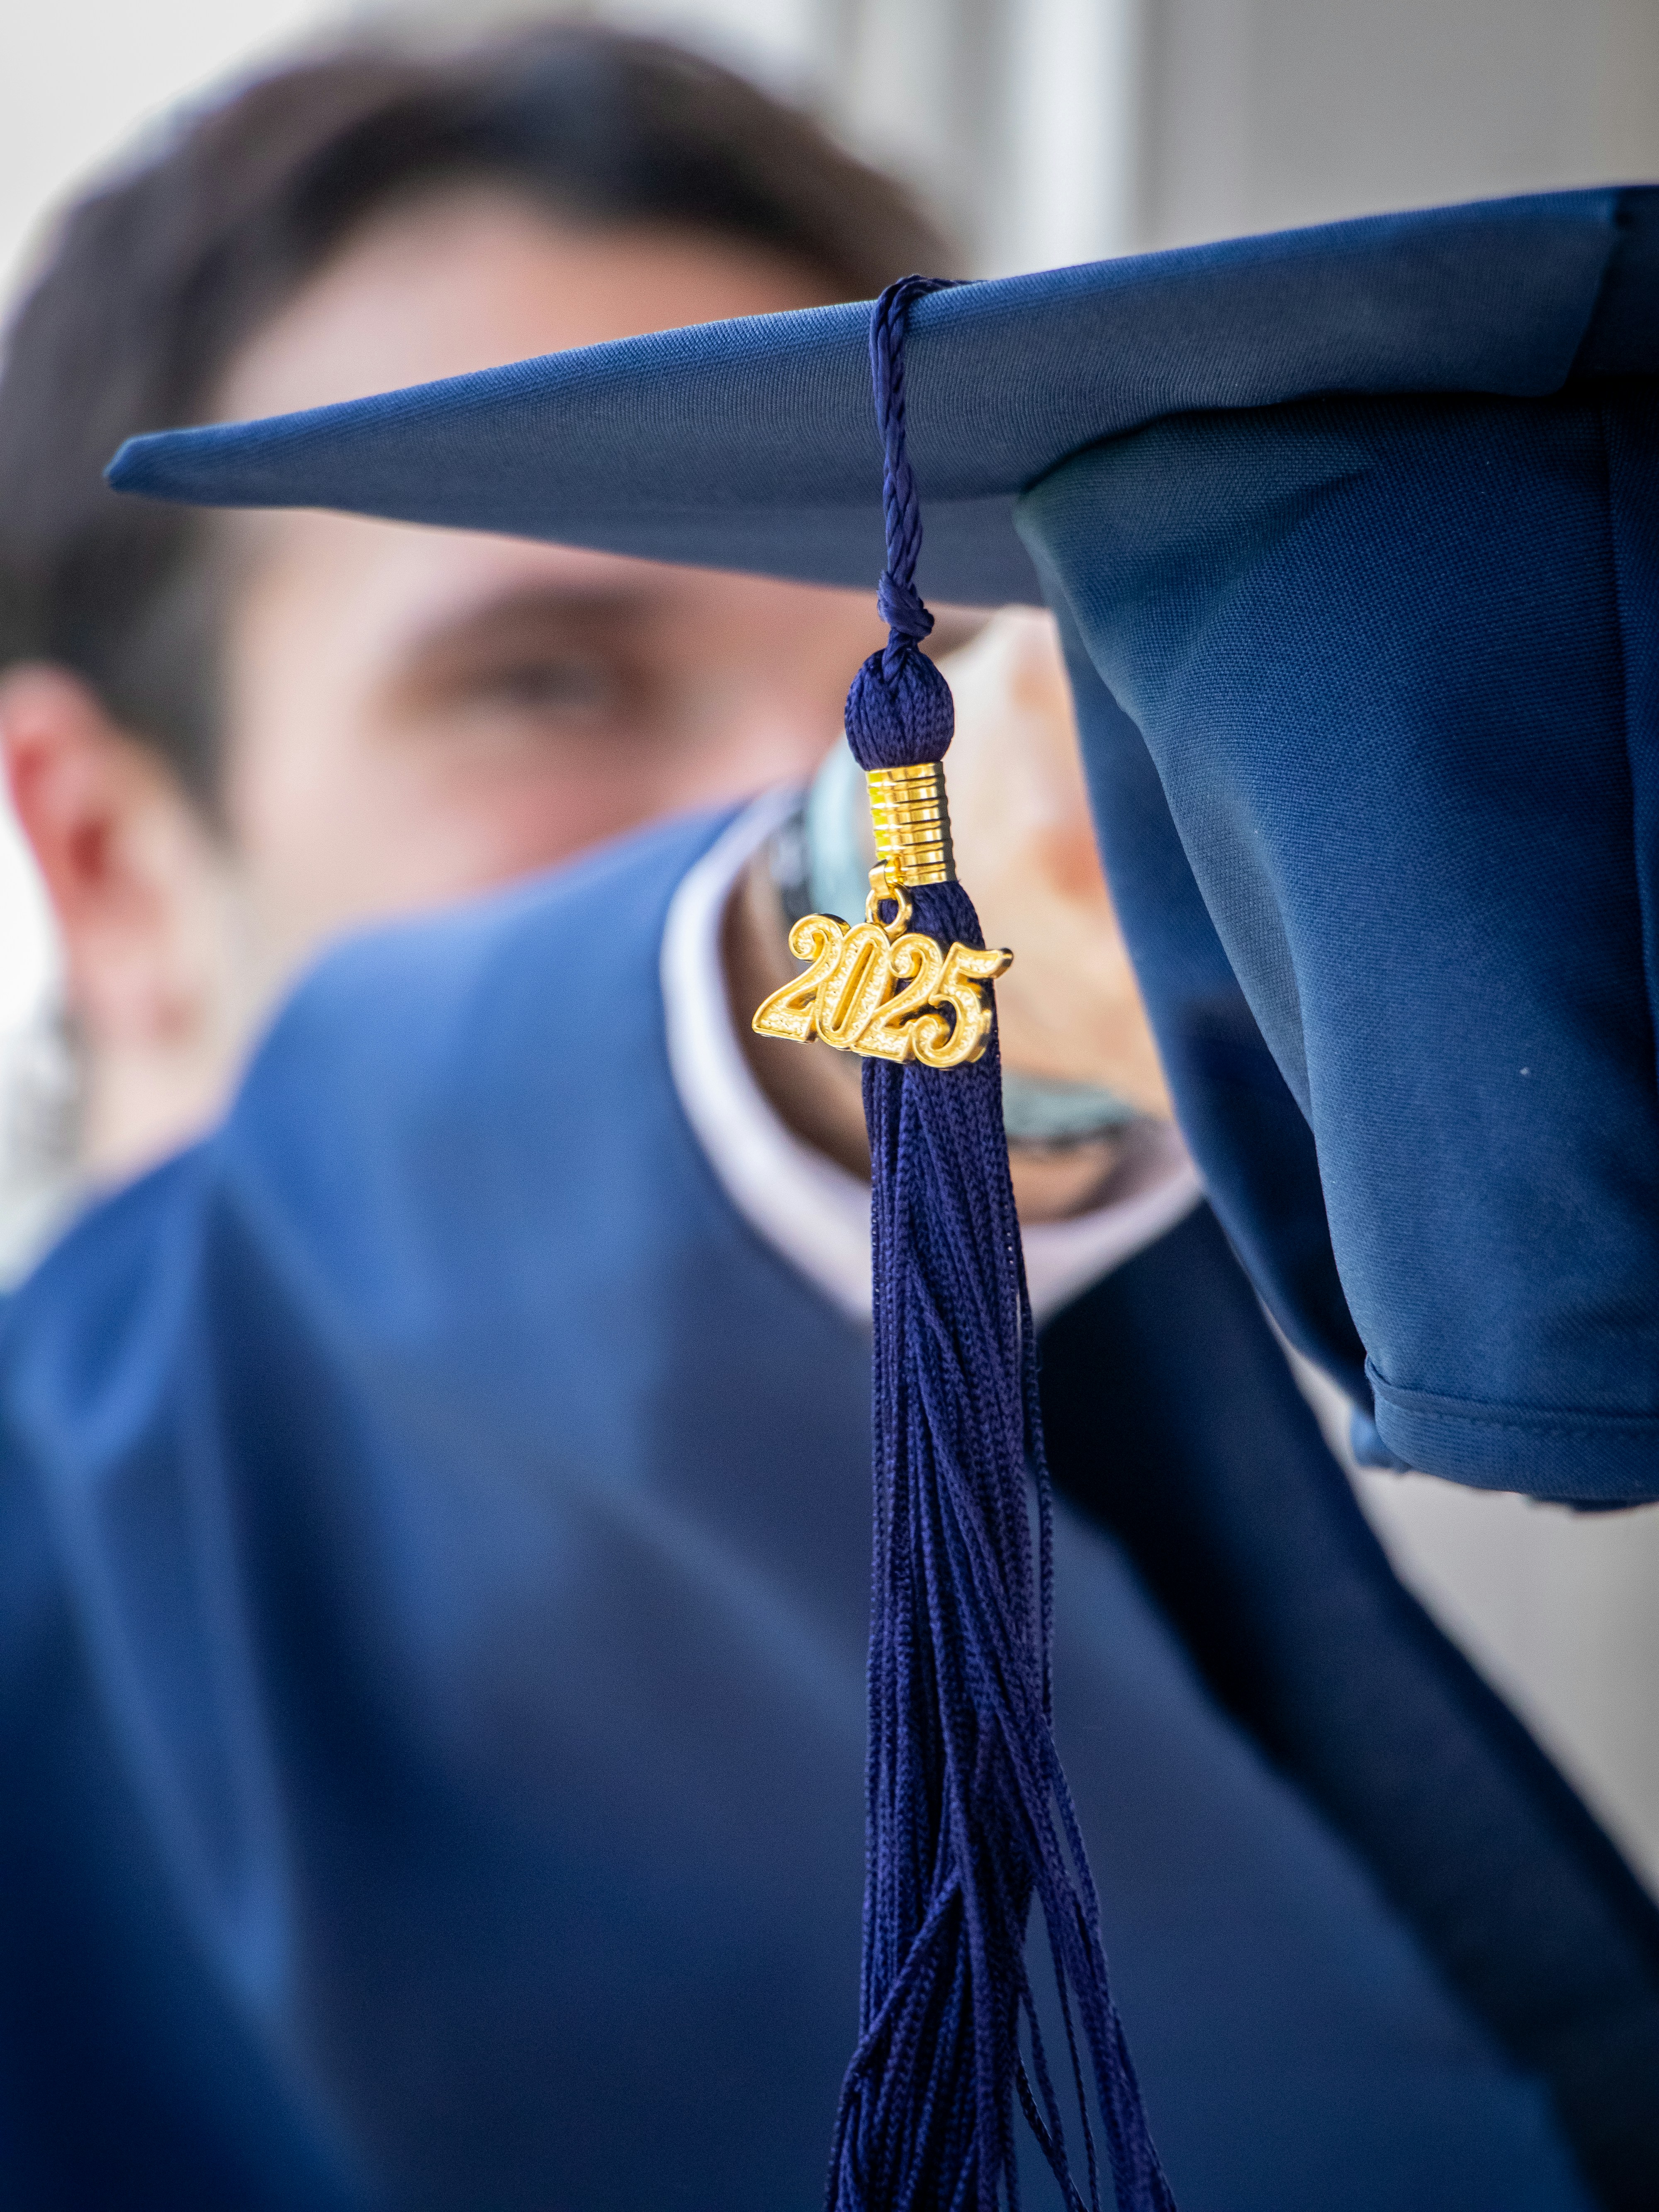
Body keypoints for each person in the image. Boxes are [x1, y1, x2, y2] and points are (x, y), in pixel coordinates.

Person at [1, 27, 1654, 2212]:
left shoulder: (1189, 1494)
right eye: (549, 681)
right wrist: (1017, 842)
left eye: (897, 681)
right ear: (107, 857)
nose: (775, 791)